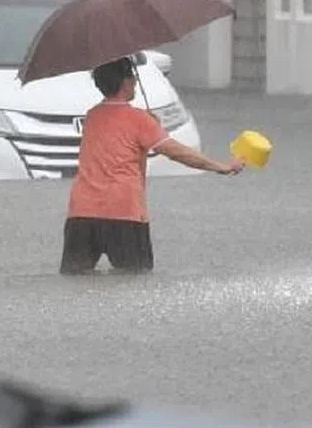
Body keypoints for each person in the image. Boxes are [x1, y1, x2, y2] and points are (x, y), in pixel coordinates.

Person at [60, 56, 244, 275]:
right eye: (133, 76)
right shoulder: (140, 120)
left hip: (82, 212)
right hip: (124, 212)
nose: (136, 82)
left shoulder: (92, 117)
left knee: (75, 279)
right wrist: (219, 166)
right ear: (126, 82)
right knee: (135, 281)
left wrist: (149, 126)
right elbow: (176, 152)